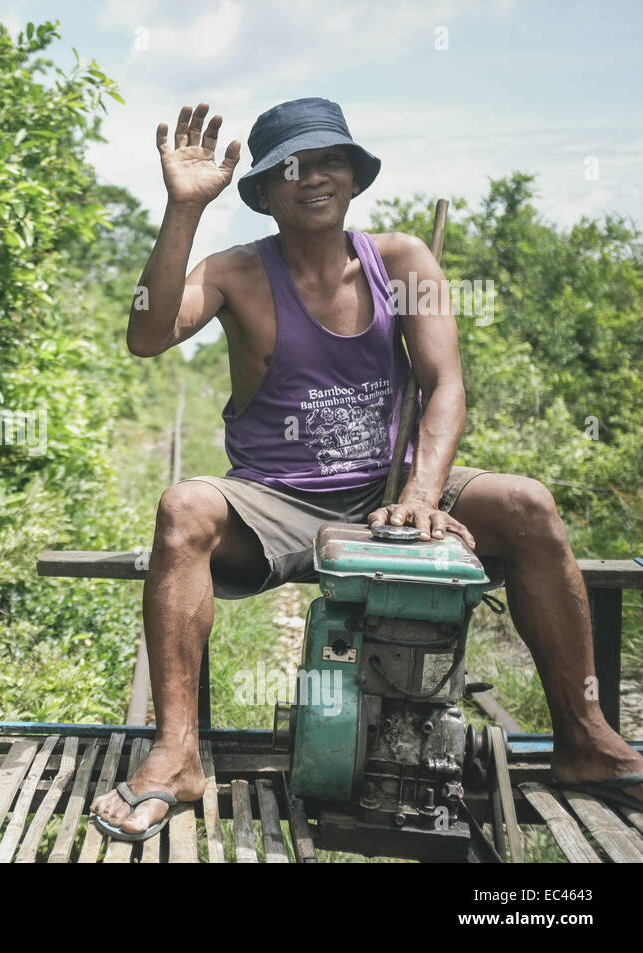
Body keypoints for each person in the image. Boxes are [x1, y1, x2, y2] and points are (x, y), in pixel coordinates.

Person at [89, 97, 643, 842]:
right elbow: (147, 334)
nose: (313, 177)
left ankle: (585, 740)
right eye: (292, 167)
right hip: (275, 499)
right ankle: (178, 752)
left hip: (391, 486)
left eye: (330, 161)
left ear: (353, 177)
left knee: (528, 504)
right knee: (183, 508)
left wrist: (421, 492)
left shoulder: (404, 260)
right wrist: (183, 210)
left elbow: (444, 383)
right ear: (263, 190)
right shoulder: (236, 272)